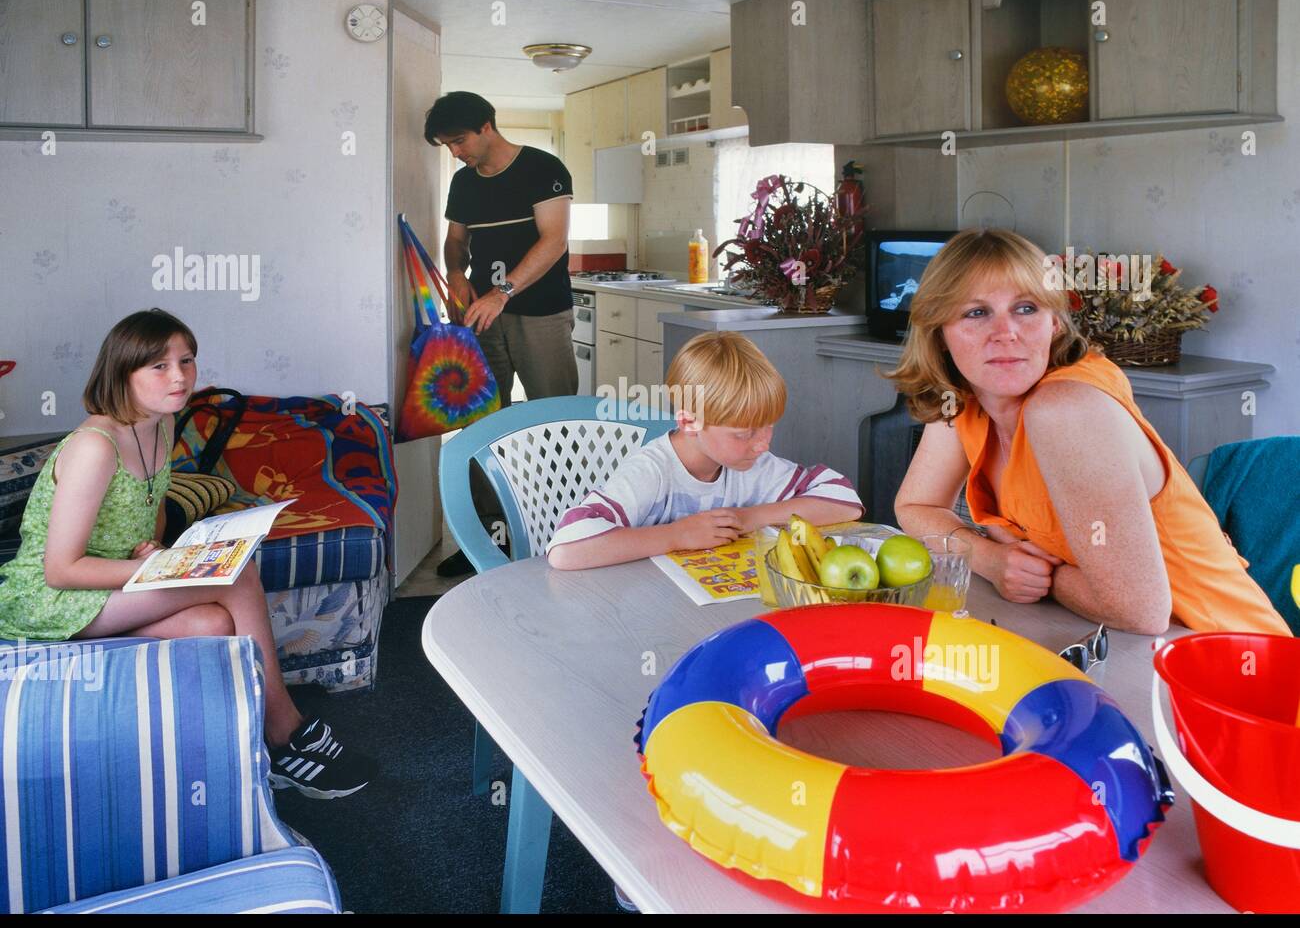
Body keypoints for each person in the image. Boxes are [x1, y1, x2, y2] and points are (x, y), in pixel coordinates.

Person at [0, 309, 373, 798]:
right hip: (50, 600)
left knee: (212, 625)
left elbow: (151, 505)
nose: (179, 376)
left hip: (118, 584)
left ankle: (229, 748)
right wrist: (154, 567)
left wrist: (156, 546)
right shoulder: (96, 446)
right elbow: (60, 568)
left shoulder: (160, 423)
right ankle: (283, 731)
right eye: (158, 366)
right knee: (237, 575)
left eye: (186, 360)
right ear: (122, 374)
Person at [887, 229, 1290, 637]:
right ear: (939, 333)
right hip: (1113, 644)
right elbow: (917, 507)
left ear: (1056, 323)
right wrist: (989, 558)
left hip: (1223, 661)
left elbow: (1139, 612)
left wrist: (1043, 577)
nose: (1006, 332)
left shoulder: (1065, 409)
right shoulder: (967, 396)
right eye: (976, 313)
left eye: (1026, 308)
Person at [546, 331, 864, 569]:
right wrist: (677, 536)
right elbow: (565, 549)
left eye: (769, 425)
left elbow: (846, 503)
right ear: (689, 422)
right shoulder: (652, 471)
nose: (763, 443)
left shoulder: (753, 463)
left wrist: (747, 517)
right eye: (745, 433)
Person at [425, 91, 578, 576]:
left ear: (486, 126)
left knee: (553, 422)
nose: (455, 152)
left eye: (459, 141)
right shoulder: (464, 183)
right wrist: (456, 273)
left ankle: (565, 532)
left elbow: (554, 240)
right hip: (479, 317)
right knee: (482, 425)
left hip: (540, 313)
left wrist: (502, 291)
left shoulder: (542, 168)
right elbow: (455, 241)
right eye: (447, 146)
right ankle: (488, 537)